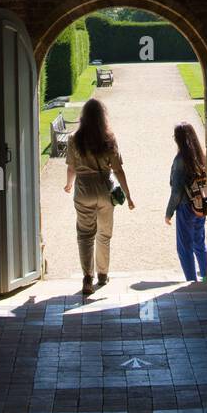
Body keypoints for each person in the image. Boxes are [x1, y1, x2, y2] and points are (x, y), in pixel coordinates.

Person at [64, 97, 134, 296]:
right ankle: (103, 273)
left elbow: (71, 168)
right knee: (104, 234)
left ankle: (88, 277)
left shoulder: (74, 138)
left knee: (85, 235)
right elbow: (119, 170)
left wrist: (69, 185)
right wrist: (128, 195)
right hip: (105, 190)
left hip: (84, 189)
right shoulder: (109, 139)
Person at [164, 122, 207, 283]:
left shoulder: (180, 160)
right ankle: (205, 276)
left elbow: (176, 192)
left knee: (184, 248)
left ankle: (191, 281)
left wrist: (168, 213)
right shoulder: (200, 156)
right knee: (199, 243)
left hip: (185, 207)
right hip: (199, 206)